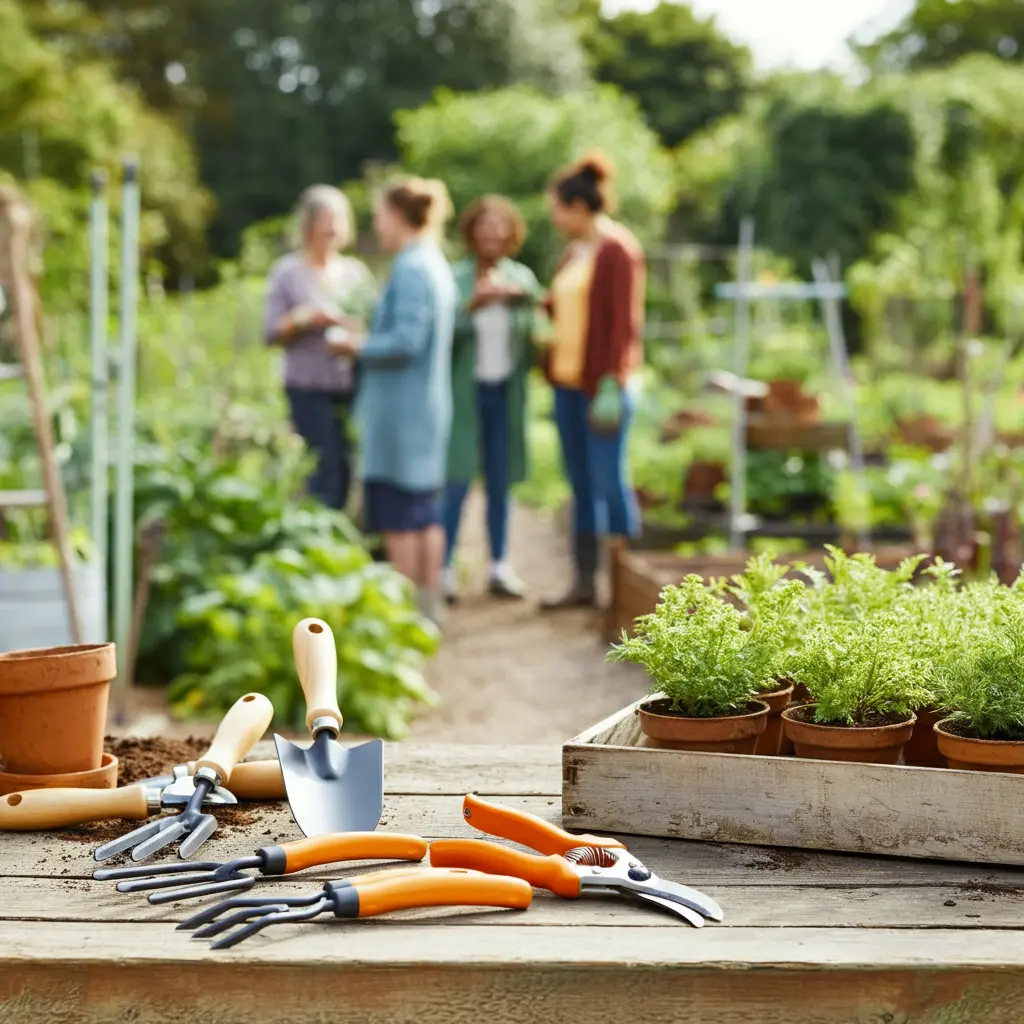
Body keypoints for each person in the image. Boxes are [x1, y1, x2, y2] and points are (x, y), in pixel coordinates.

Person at [331, 177, 456, 624]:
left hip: (402, 415)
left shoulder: (412, 267)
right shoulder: (433, 263)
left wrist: (357, 344)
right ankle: (429, 608)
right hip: (424, 410)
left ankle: (404, 621)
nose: (375, 224)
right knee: (424, 512)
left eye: (379, 214)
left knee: (399, 516)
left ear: (399, 215)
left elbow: (405, 340)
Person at [539, 151, 645, 611]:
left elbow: (623, 324)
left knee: (608, 481)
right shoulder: (574, 252)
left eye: (557, 210)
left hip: (601, 390)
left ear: (578, 207)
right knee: (580, 484)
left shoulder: (618, 249)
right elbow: (556, 307)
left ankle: (631, 594)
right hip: (566, 385)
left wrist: (612, 383)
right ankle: (585, 583)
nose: (555, 218)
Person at [442, 196, 543, 604]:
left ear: (511, 233)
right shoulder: (456, 279)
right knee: (457, 479)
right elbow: (442, 332)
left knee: (501, 481)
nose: (492, 233)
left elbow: (541, 326)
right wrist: (476, 304)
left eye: (501, 225)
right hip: (466, 393)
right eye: (485, 225)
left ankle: (500, 565)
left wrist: (521, 303)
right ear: (471, 231)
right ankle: (445, 568)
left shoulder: (521, 277)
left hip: (506, 392)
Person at [262, 184, 375, 512]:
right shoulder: (288, 272)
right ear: (308, 224)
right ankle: (320, 539)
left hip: (351, 385)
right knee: (323, 471)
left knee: (347, 468)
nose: (332, 228)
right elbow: (270, 332)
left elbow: (370, 322)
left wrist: (351, 327)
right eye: (325, 219)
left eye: (338, 219)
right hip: (308, 387)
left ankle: (337, 534)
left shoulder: (355, 273)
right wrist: (306, 319)